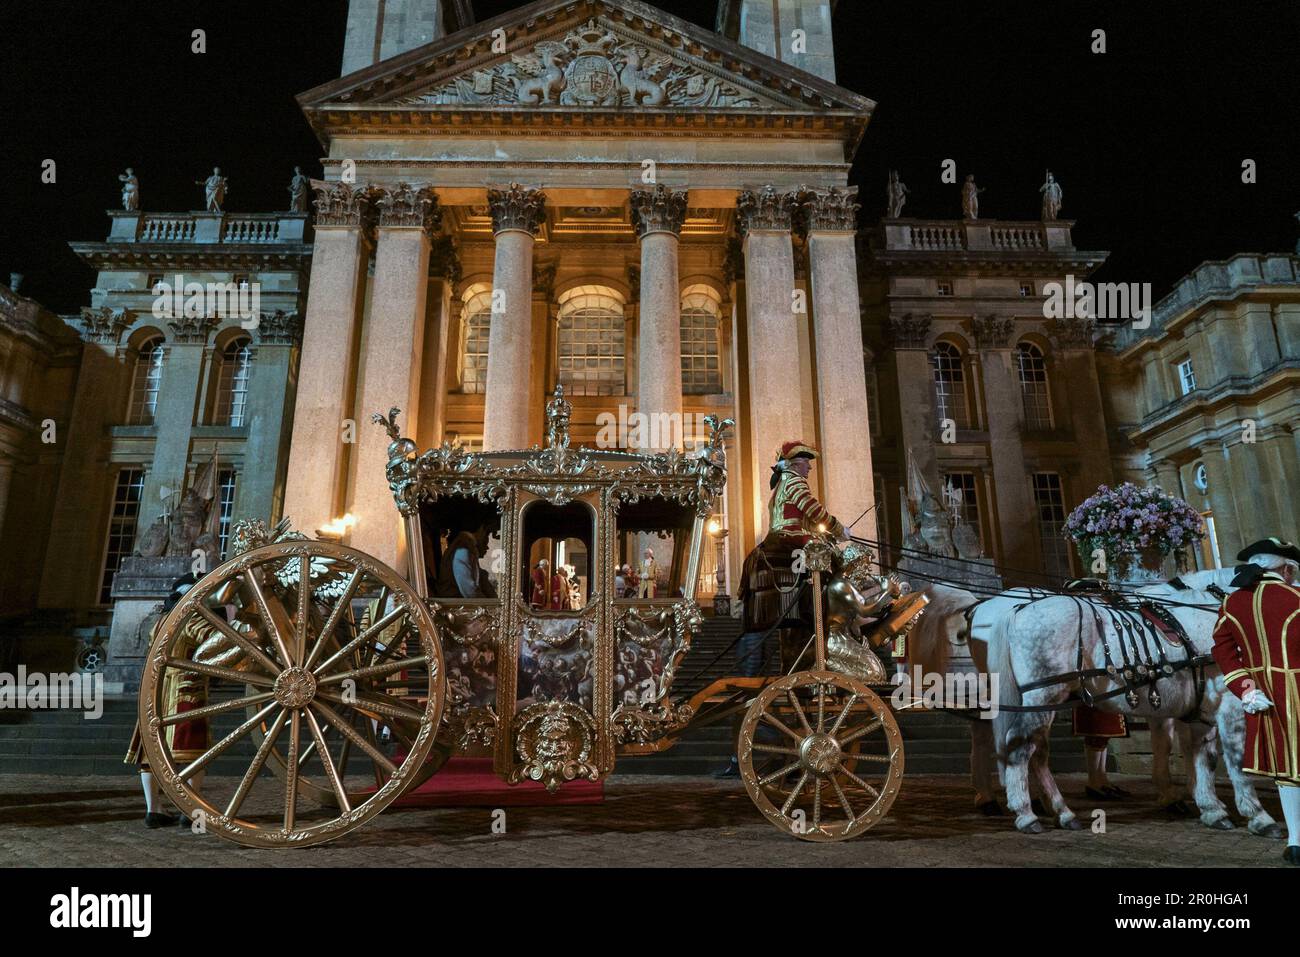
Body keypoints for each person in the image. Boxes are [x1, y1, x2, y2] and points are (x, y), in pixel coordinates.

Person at [1211, 538, 1300, 865]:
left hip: (1263, 696)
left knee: (1286, 768)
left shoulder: (1233, 603)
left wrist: (1246, 687)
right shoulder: (1296, 597)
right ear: (1287, 569)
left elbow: (1221, 649)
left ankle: (1296, 841)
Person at [125, 573, 208, 829]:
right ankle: (190, 808)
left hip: (156, 690)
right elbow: (215, 643)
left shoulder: (160, 622)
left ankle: (154, 809)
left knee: (151, 753)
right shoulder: (192, 621)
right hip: (185, 688)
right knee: (192, 753)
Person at [435, 519, 496, 599]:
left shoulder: (465, 548)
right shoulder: (462, 551)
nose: (486, 538)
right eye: (486, 533)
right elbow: (470, 592)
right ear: (481, 529)